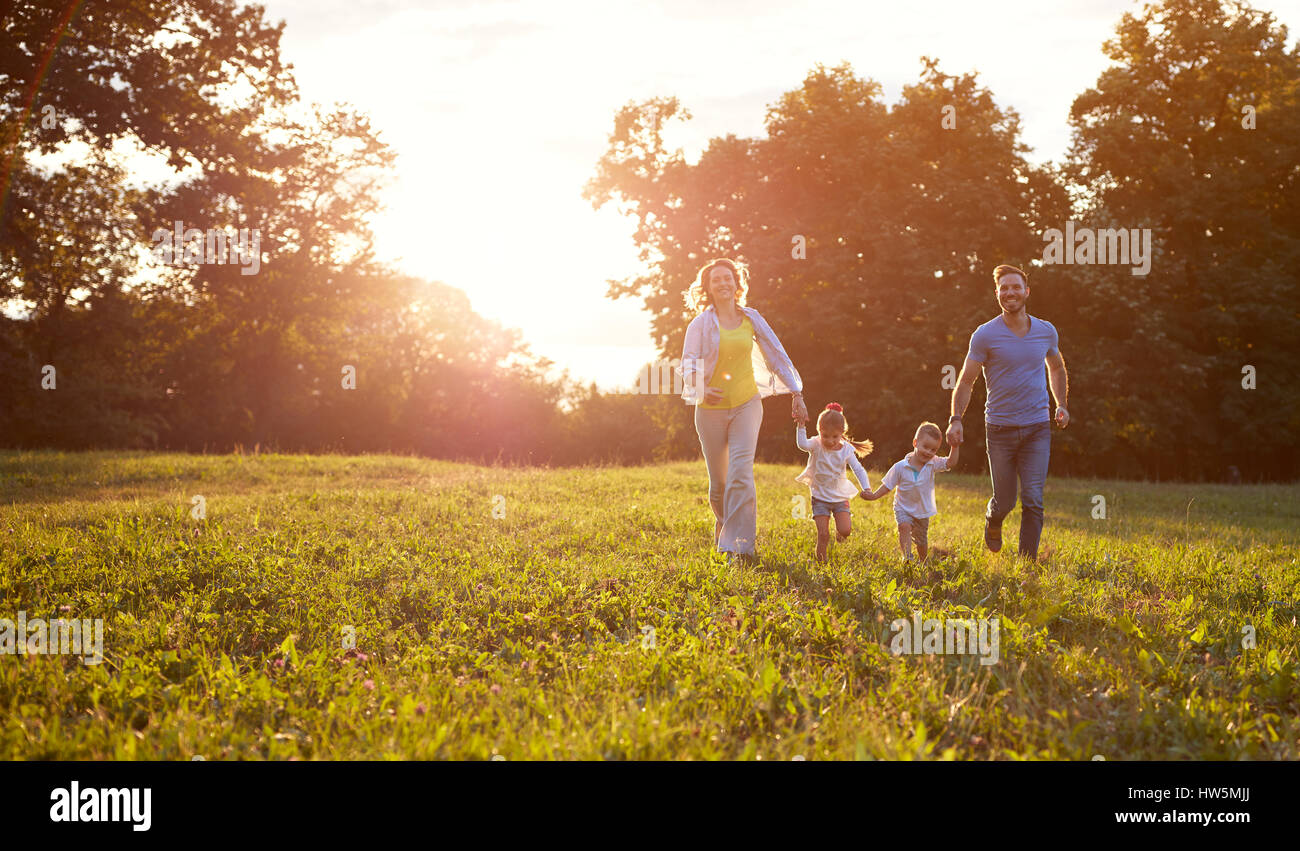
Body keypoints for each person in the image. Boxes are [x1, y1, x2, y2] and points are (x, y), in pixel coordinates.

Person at [678, 258, 808, 563]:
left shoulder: (751, 318)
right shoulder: (700, 324)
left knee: (740, 473)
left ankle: (738, 547)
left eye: (728, 278)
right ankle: (725, 527)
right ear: (708, 289)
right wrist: (700, 387)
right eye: (716, 280)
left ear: (737, 284)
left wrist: (797, 393)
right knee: (719, 484)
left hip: (747, 404)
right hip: (709, 410)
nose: (723, 283)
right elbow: (688, 361)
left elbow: (776, 354)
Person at [946, 264, 1069, 559]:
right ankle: (993, 519)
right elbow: (965, 381)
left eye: (1016, 287)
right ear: (997, 294)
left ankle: (1026, 565)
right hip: (1000, 430)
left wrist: (1061, 403)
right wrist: (955, 419)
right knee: (1004, 501)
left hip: (1037, 428)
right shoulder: (985, 335)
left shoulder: (1045, 331)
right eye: (1004, 288)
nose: (1010, 292)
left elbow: (1057, 367)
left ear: (1026, 292)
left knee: (1033, 500)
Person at [862, 422, 958, 560]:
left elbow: (950, 463)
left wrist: (955, 446)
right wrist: (873, 496)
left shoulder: (933, 463)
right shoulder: (900, 467)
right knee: (904, 527)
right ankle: (907, 557)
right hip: (903, 507)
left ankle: (923, 562)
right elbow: (888, 485)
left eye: (933, 450)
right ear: (915, 443)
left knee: (921, 542)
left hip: (922, 510)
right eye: (925, 447)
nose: (928, 452)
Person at [795, 403, 873, 562]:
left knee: (845, 530)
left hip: (840, 498)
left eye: (835, 437)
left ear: (842, 433)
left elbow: (858, 469)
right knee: (823, 535)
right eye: (825, 436)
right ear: (819, 432)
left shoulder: (847, 450)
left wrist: (867, 488)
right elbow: (802, 444)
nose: (830, 441)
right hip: (820, 498)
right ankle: (821, 565)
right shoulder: (816, 444)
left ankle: (840, 534)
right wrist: (801, 425)